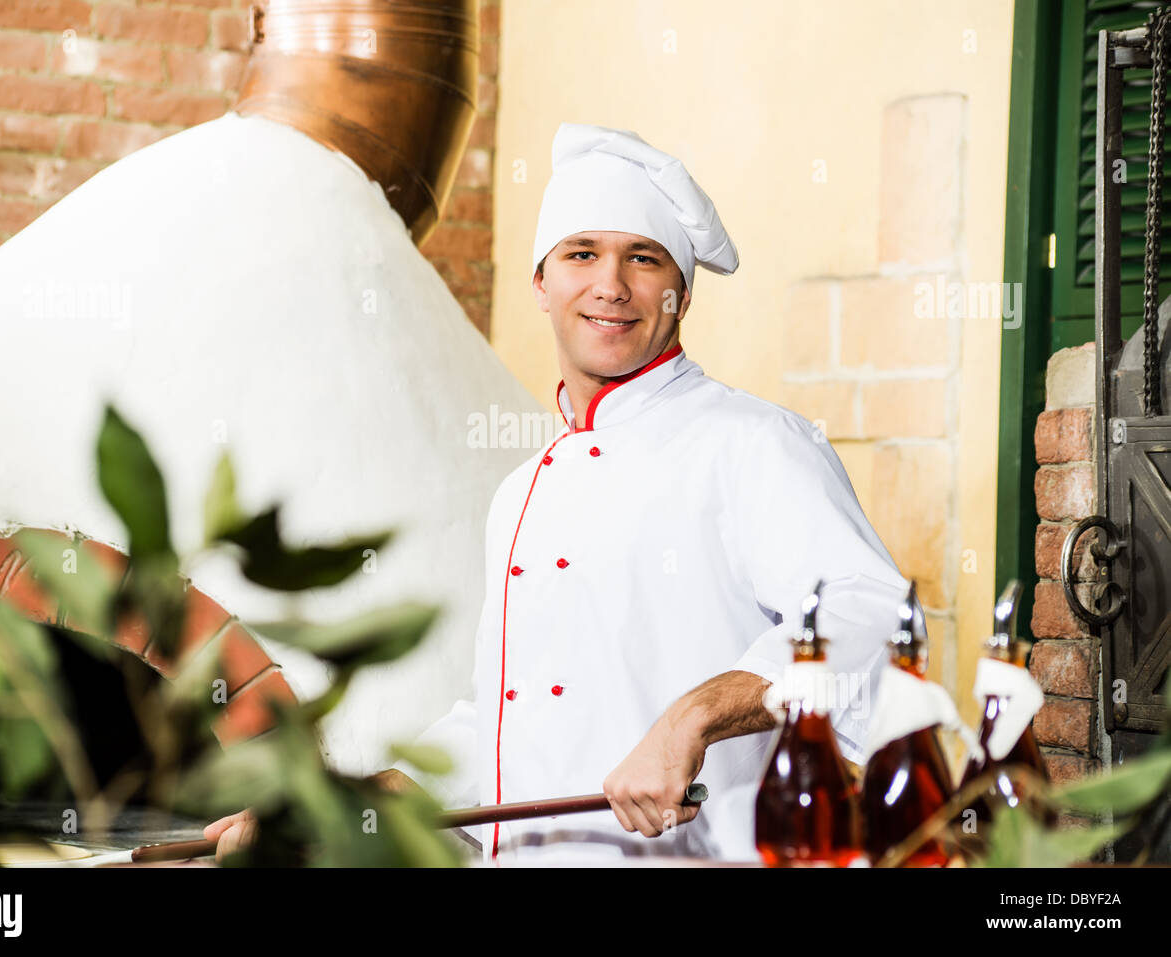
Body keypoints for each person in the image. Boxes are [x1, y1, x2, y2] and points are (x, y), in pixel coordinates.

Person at [207, 122, 910, 864]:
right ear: (542, 283)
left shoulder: (751, 443)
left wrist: (694, 716)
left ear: (679, 293)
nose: (610, 285)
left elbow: (871, 613)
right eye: (581, 254)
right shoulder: (520, 493)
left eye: (643, 258)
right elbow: (504, 727)